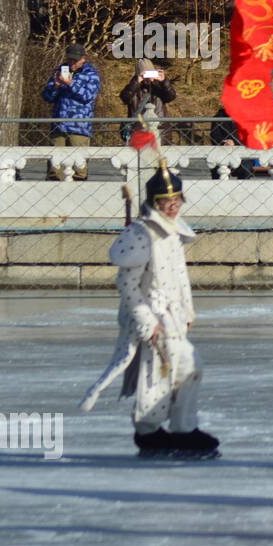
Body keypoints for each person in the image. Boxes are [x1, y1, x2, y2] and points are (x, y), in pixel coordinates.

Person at [79, 160, 219, 458]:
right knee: (155, 375)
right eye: (166, 201)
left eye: (176, 199)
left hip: (173, 316)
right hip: (153, 316)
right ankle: (148, 431)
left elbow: (178, 276)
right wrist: (146, 321)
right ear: (154, 202)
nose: (172, 206)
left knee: (190, 367)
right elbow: (127, 284)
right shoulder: (142, 234)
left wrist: (187, 311)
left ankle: (184, 427)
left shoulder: (173, 231)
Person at [42, 43, 100, 180]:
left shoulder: (91, 74)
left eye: (75, 60)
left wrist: (70, 84)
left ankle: (80, 194)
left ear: (83, 59)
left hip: (79, 127)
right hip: (59, 125)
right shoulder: (60, 71)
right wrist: (55, 86)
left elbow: (88, 96)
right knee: (55, 168)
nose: (72, 63)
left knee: (79, 167)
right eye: (70, 59)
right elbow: (47, 97)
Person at [120, 61, 177, 143]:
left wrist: (164, 82)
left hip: (160, 131)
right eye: (146, 73)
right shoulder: (133, 87)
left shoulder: (159, 87)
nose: (148, 76)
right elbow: (125, 97)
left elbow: (171, 96)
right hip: (138, 131)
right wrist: (137, 81)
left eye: (151, 72)